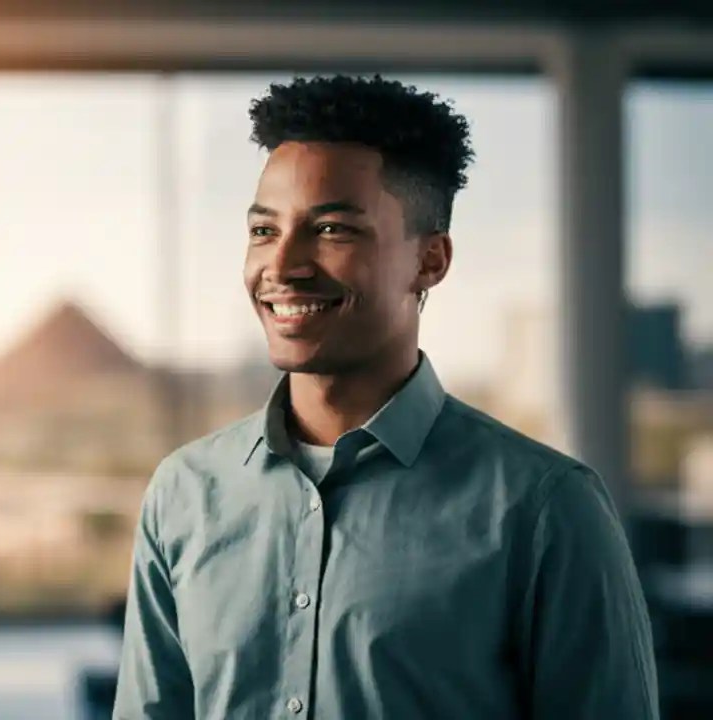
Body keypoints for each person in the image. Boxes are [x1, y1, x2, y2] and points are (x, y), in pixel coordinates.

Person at [112, 75, 659, 719]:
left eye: (334, 231)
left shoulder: (544, 510)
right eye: (264, 231)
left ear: (430, 261)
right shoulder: (184, 493)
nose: (282, 265)